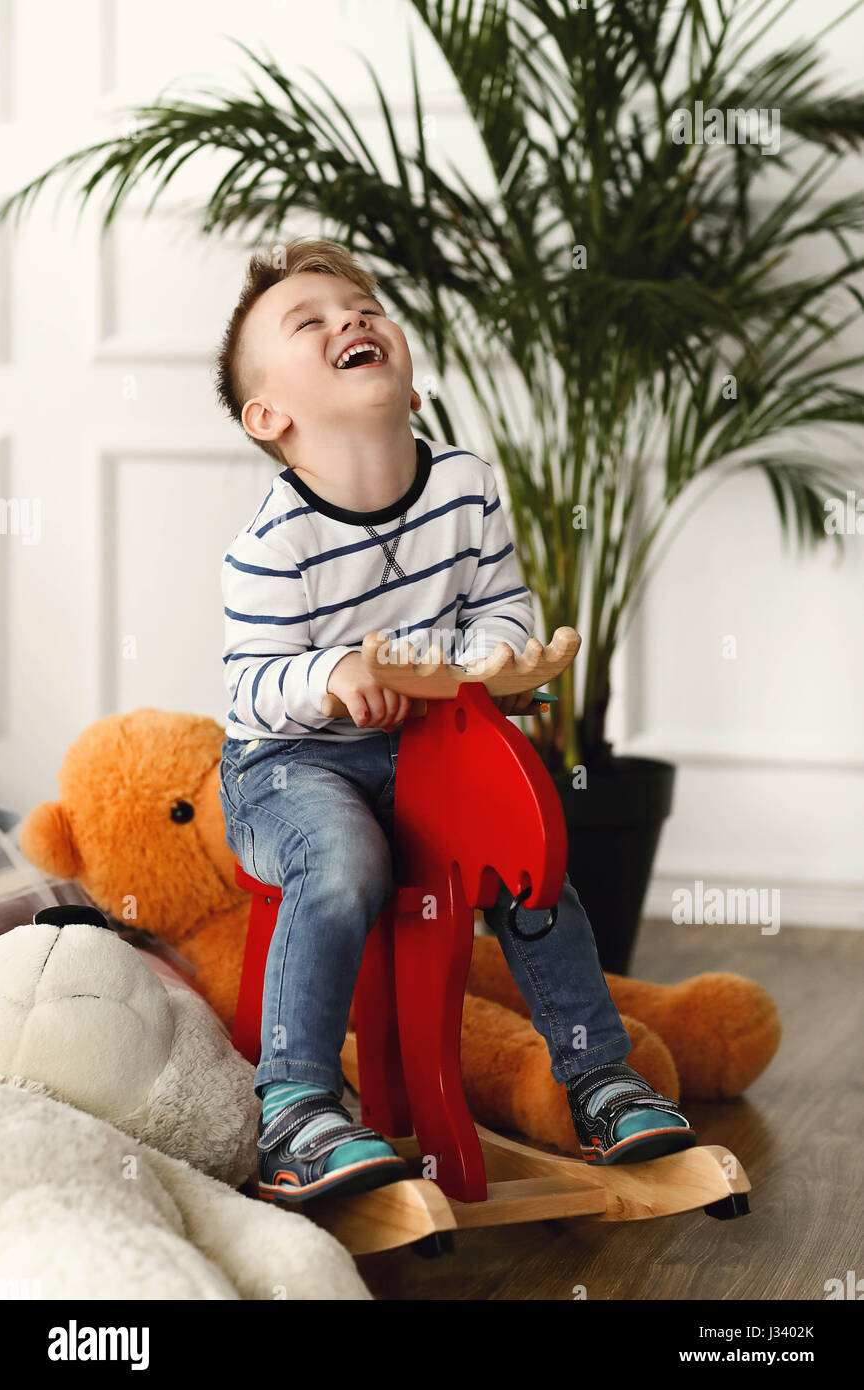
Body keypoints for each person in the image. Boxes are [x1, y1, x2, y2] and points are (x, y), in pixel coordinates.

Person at [214, 237, 696, 1203]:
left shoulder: (463, 487)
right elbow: (248, 687)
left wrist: (487, 663)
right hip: (290, 769)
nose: (351, 321)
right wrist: (334, 673)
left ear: (408, 377)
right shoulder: (275, 542)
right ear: (272, 415)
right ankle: (296, 1107)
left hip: (424, 750)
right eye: (310, 323)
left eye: (363, 308)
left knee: (527, 848)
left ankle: (597, 1075)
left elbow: (502, 607)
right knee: (345, 857)